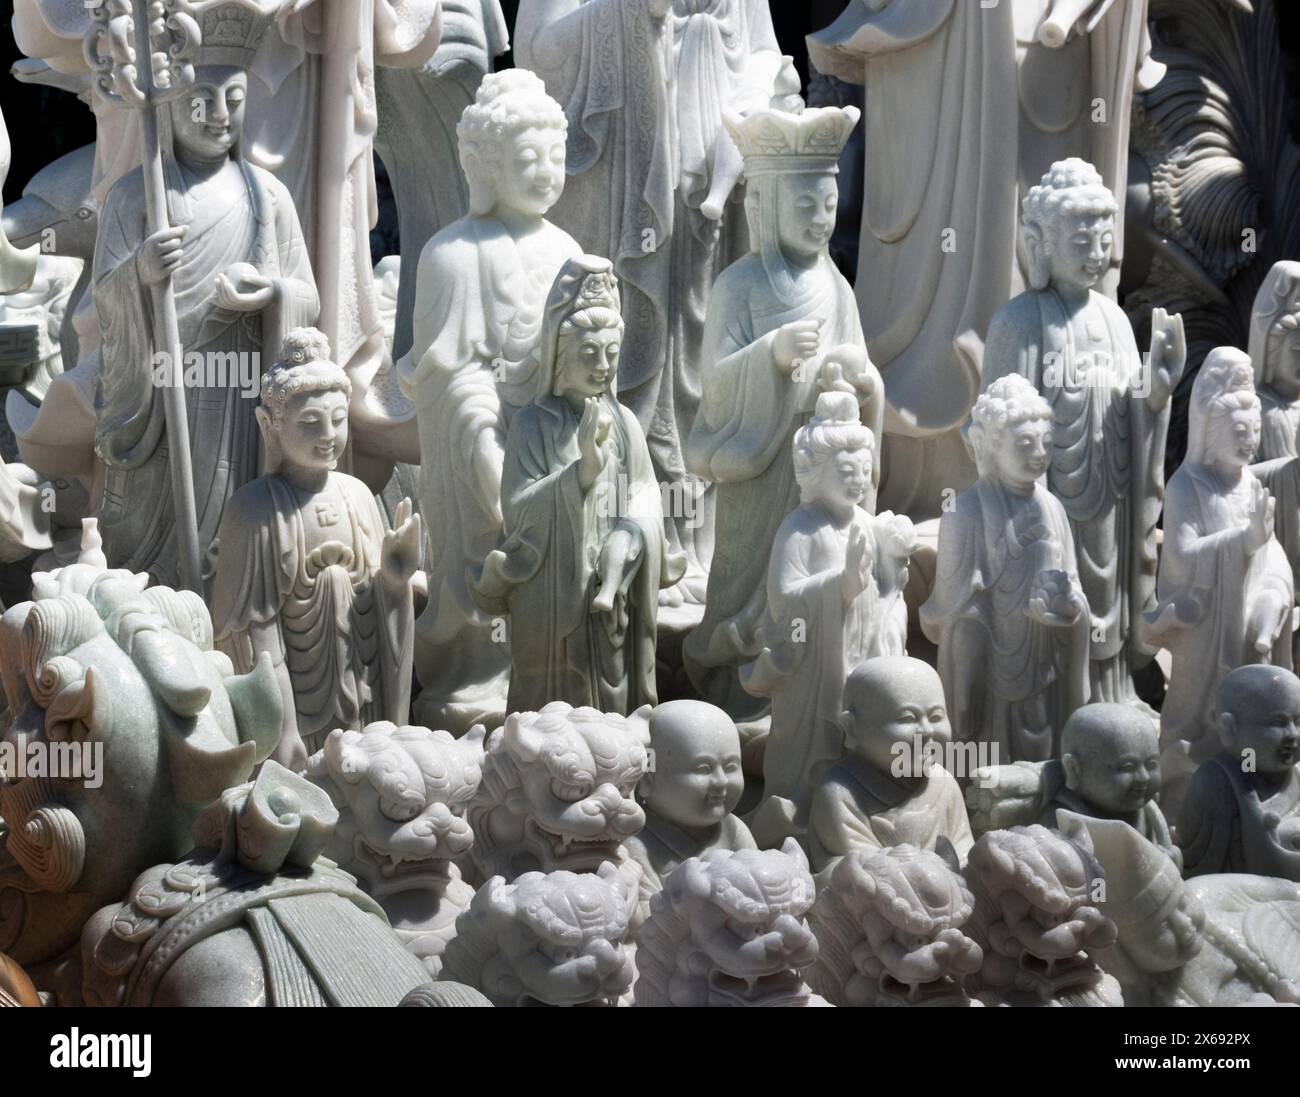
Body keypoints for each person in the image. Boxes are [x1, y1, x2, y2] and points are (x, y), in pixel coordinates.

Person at [93, 21, 318, 588]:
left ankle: (233, 619)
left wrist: (274, 296)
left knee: (236, 520)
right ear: (169, 107)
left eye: (234, 100)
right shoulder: (137, 198)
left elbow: (305, 294)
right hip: (163, 387)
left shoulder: (268, 197)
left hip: (242, 387)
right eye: (201, 101)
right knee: (159, 529)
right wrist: (138, 277)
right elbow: (105, 298)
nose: (219, 115)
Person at [397, 69, 581, 732]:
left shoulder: (566, 250)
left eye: (554, 158)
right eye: (526, 159)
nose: (544, 173)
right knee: (482, 534)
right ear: (483, 165)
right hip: (480, 437)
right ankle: (473, 669)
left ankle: (551, 662)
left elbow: (587, 358)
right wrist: (486, 442)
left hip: (548, 432)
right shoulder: (452, 253)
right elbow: (447, 374)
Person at [981, 159, 1184, 704]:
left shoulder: (1114, 319)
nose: (1097, 252)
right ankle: (1057, 707)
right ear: (1040, 243)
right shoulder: (1019, 322)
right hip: (1046, 498)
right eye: (1080, 238)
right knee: (1056, 593)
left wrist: (1157, 391)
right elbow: (998, 420)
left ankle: (1112, 691)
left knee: (1107, 597)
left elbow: (1131, 407)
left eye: (1103, 237)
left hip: (1112, 496)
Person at [471, 257, 684, 715]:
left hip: (614, 594)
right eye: (589, 354)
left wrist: (629, 535)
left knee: (613, 706)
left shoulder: (624, 423)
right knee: (555, 713)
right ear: (560, 356)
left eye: (612, 352)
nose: (604, 366)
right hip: (552, 598)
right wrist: (579, 475)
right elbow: (518, 509)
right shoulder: (533, 425)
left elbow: (645, 492)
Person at [213, 330, 421, 770]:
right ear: (271, 427)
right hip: (297, 720)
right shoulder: (254, 510)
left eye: (339, 419)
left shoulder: (360, 496)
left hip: (362, 695)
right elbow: (256, 632)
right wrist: (282, 729)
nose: (328, 435)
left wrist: (395, 580)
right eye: (310, 423)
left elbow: (378, 607)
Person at [742, 392, 915, 817]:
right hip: (815, 670)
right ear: (815, 473)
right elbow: (783, 599)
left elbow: (890, 590)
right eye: (845, 470)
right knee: (818, 746)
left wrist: (895, 559)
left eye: (863, 470)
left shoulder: (867, 524)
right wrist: (840, 584)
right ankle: (805, 808)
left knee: (862, 736)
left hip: (864, 653)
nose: (858, 479)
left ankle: (860, 803)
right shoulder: (799, 530)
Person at [1143, 348, 1294, 818]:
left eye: (1254, 432)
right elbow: (1183, 556)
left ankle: (1252, 797)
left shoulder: (1251, 485)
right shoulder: (1186, 488)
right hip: (1206, 634)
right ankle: (1187, 807)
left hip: (1248, 627)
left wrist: (1272, 594)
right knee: (1195, 721)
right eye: (1240, 432)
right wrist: (1239, 542)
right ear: (1210, 431)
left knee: (1253, 715)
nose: (1251, 443)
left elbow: (1273, 556)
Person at [921, 375, 1090, 761]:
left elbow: (1074, 586)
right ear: (993, 446)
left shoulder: (1053, 508)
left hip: (1046, 656)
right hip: (991, 666)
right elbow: (956, 610)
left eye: (1046, 443)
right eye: (1025, 443)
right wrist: (965, 677)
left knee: (1045, 750)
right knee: (986, 751)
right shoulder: (964, 512)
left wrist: (1069, 608)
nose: (1039, 454)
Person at [807, 657, 974, 880]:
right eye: (907, 718)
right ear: (852, 728)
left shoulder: (944, 783)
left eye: (936, 717)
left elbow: (963, 852)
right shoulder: (841, 793)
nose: (926, 731)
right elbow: (861, 868)